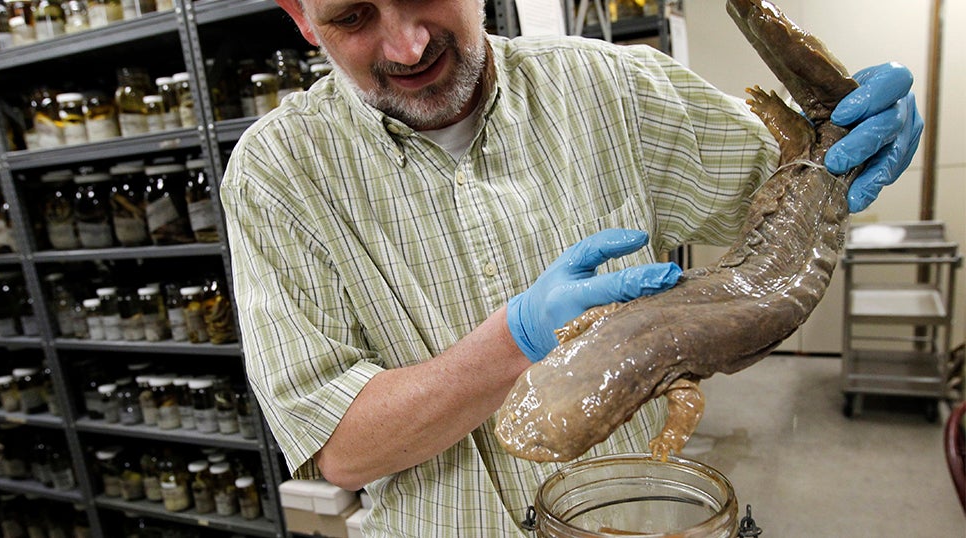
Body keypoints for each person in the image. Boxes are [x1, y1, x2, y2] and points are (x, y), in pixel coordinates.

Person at [218, 0, 923, 534]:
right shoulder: (275, 176)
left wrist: (855, 137)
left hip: (638, 520)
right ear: (301, 18)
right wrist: (516, 339)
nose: (408, 43)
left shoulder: (612, 87)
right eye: (353, 16)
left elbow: (791, 188)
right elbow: (337, 451)